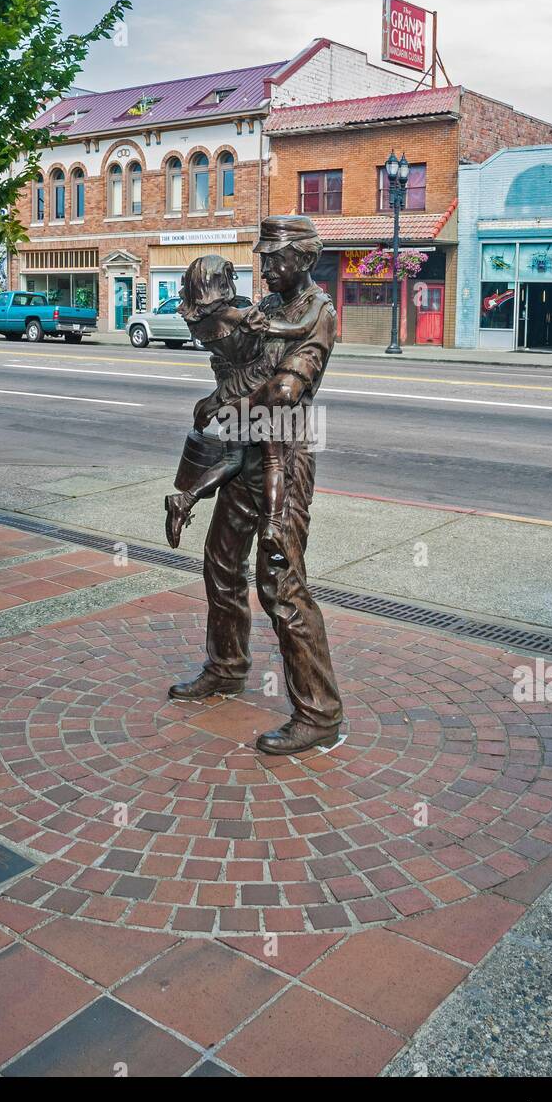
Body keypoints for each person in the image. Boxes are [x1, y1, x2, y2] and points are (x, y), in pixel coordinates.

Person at [167, 216, 344, 757]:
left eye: (274, 257)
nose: (264, 266)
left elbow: (286, 392)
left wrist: (227, 406)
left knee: (280, 585)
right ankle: (226, 666)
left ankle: (319, 712)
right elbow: (238, 357)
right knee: (219, 563)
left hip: (284, 459)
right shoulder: (266, 308)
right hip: (245, 450)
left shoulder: (319, 314)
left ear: (302, 258)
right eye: (262, 256)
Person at [163, 254, 331, 557]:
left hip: (230, 391)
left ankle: (185, 499)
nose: (265, 271)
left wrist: (219, 400)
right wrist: (318, 306)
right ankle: (272, 524)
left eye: (272, 260)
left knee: (232, 460)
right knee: (274, 459)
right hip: (254, 390)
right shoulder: (237, 315)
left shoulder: (203, 320)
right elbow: (298, 329)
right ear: (219, 283)